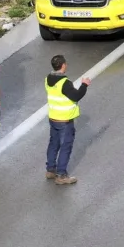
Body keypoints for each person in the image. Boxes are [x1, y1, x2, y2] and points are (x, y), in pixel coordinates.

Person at [45, 54, 90, 185]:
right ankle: (61, 175)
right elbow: (76, 96)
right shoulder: (64, 83)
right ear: (63, 65)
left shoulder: (48, 79)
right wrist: (84, 85)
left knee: (54, 144)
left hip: (53, 118)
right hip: (64, 120)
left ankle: (50, 170)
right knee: (66, 146)